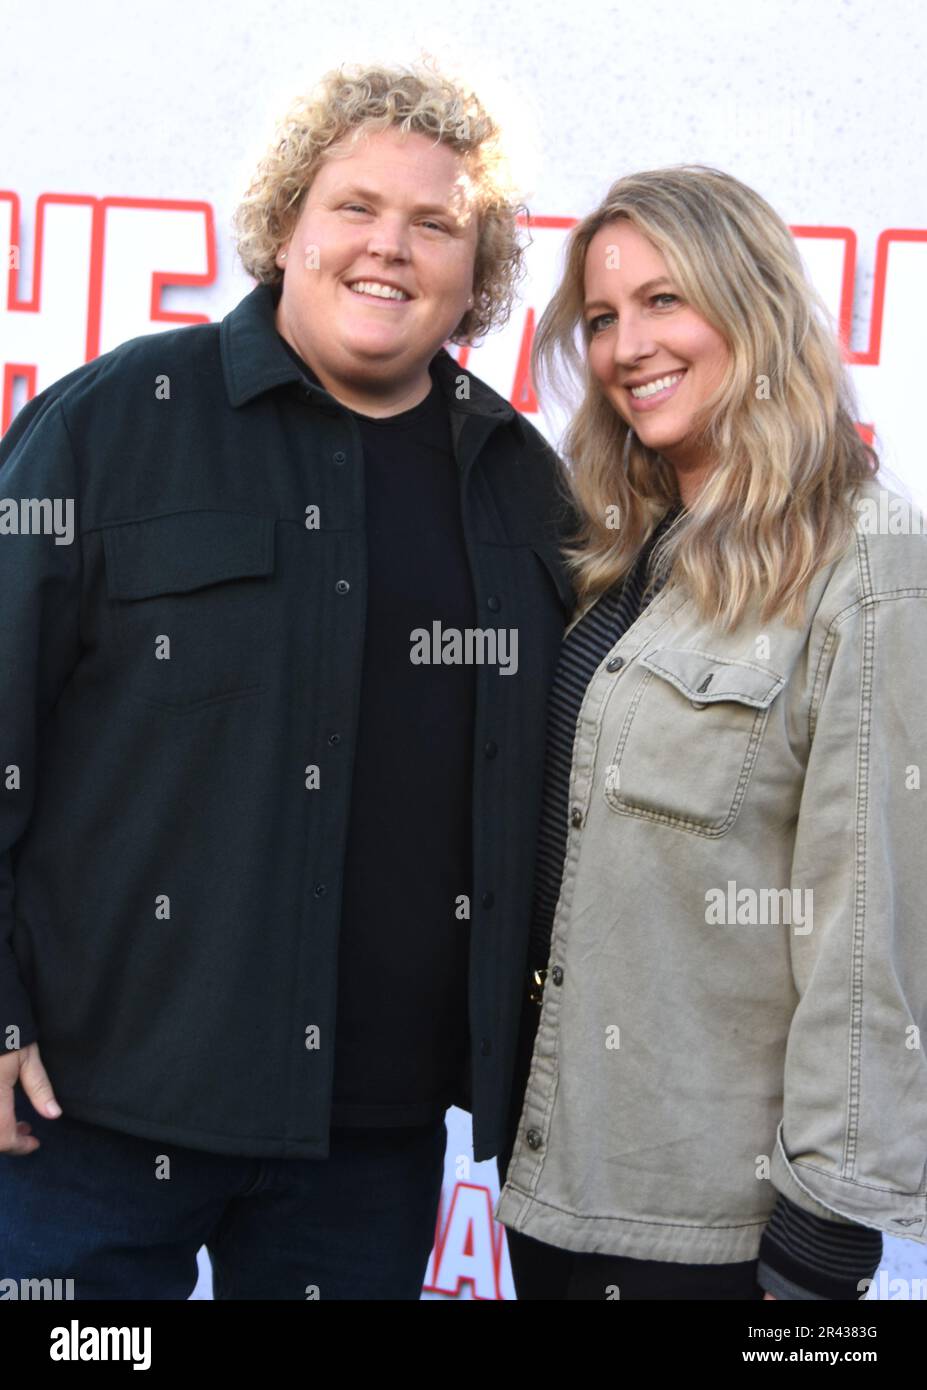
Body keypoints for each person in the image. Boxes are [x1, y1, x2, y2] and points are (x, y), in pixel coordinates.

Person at [0, 60, 577, 1299]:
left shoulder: (525, 490)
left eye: (437, 223)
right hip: (91, 1121)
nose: (391, 247)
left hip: (365, 1144)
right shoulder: (112, 425)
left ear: (481, 273)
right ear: (285, 230)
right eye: (355, 207)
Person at [495, 165, 927, 1299]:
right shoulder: (625, 546)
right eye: (601, 317)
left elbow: (872, 928)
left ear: (753, 305)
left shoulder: (866, 564)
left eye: (666, 301)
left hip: (723, 1239)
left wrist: (824, 1236)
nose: (628, 344)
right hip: (558, 1187)